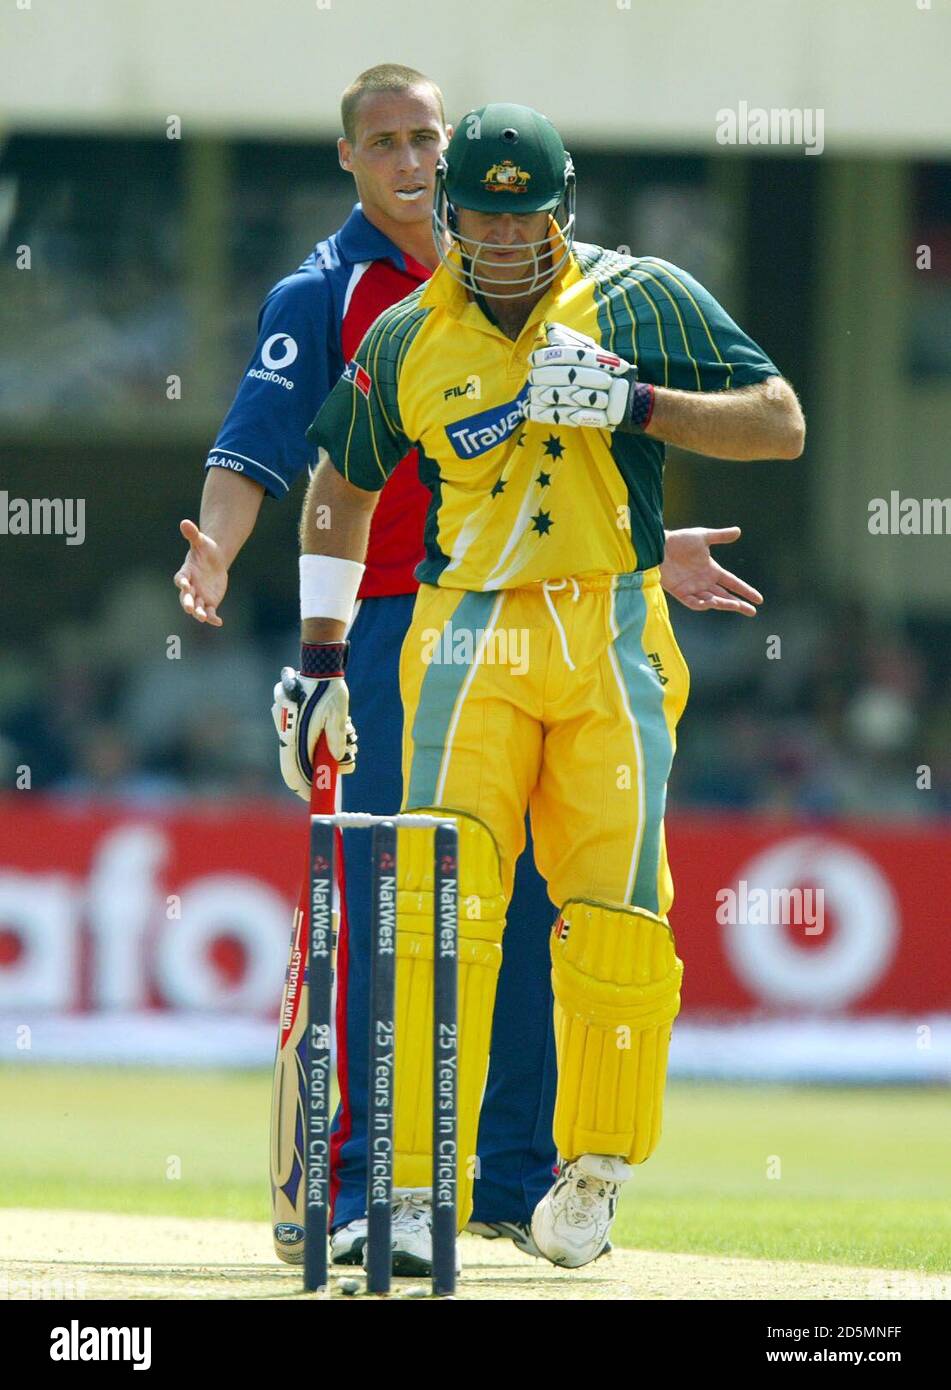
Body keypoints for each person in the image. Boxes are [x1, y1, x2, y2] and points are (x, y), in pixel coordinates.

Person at [177, 64, 762, 1278]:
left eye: (424, 143)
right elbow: (305, 468)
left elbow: (772, 417)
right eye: (387, 144)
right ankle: (373, 1185)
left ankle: (542, 1177)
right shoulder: (359, 306)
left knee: (594, 910)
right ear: (359, 159)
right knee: (427, 907)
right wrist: (304, 642)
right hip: (434, 631)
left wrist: (640, 428)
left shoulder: (634, 295)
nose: (494, 230)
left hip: (600, 627)